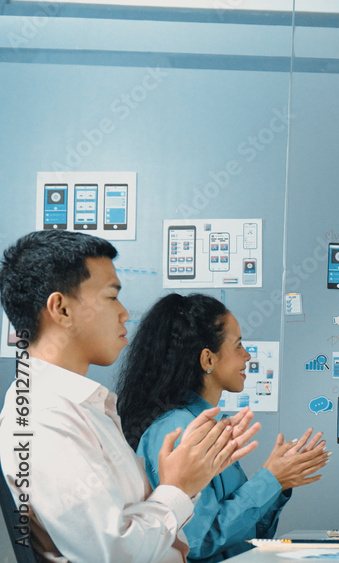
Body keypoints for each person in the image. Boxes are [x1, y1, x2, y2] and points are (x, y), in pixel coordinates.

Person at [0, 230, 259, 562]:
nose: (124, 313)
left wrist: (186, 481)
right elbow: (117, 554)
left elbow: (146, 532)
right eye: (111, 296)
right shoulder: (47, 419)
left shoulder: (85, 409)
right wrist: (178, 488)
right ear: (61, 309)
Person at [117, 293, 330, 563]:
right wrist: (270, 479)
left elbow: (246, 534)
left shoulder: (209, 425)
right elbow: (197, 541)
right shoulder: (177, 429)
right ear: (208, 359)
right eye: (238, 345)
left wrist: (279, 481)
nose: (248, 355)